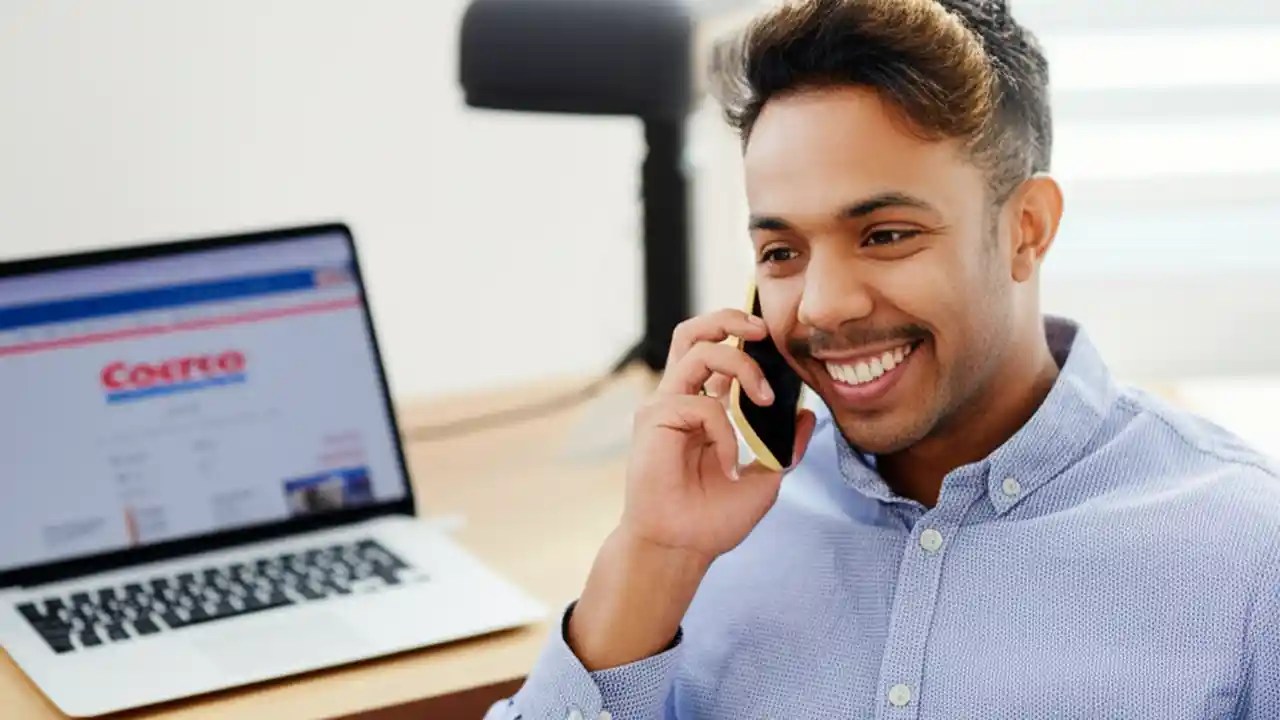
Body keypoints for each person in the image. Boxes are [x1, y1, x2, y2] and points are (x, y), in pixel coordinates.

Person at [488, 0, 1280, 717]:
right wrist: (653, 557)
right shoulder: (707, 530)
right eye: (782, 250)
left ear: (1027, 229)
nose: (824, 304)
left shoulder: (1247, 555)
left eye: (887, 235)